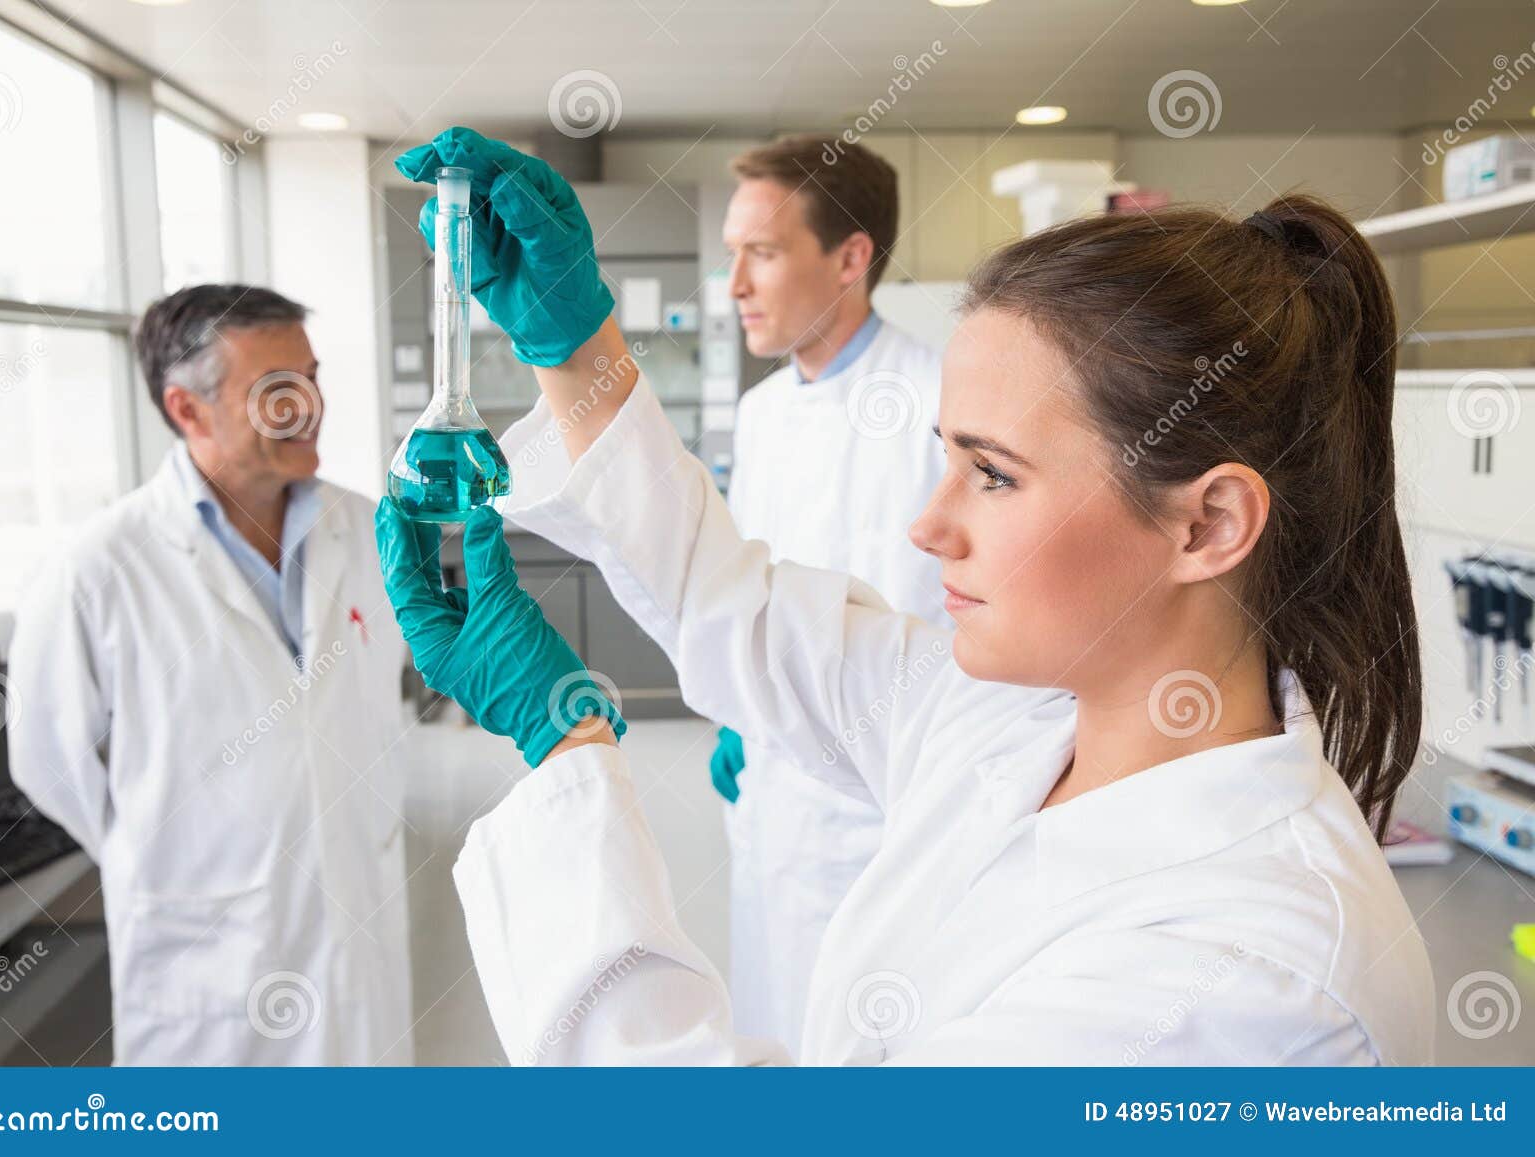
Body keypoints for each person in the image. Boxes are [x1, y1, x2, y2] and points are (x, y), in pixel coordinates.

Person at [381, 128, 1435, 1064]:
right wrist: (576, 350)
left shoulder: (1251, 976)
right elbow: (732, 600)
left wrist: (568, 755)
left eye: (994, 472)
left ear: (1206, 524)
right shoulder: (1007, 725)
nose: (927, 527)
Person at [9, 285, 416, 1065]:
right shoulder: (97, 569)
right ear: (187, 411)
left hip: (358, 944)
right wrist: (165, 860)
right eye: (274, 389)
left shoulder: (367, 531)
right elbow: (49, 764)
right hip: (205, 979)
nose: (309, 405)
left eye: (311, 375)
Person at [713, 135, 947, 1052]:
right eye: (731, 254)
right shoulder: (762, 413)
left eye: (762, 253)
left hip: (895, 807)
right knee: (779, 1029)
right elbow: (743, 589)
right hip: (774, 798)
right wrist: (735, 711)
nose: (733, 283)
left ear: (851, 258)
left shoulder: (943, 401)